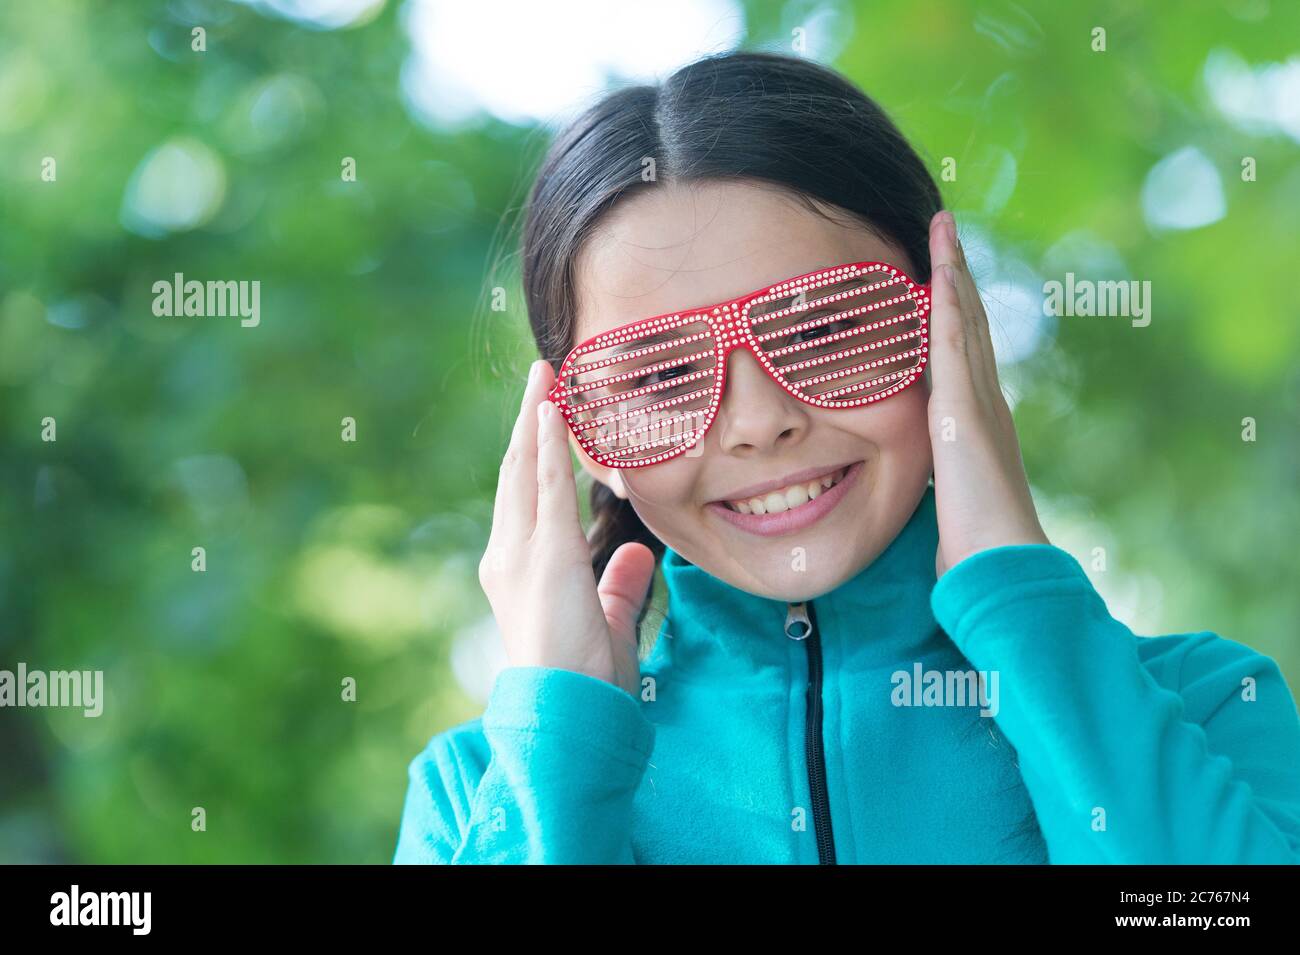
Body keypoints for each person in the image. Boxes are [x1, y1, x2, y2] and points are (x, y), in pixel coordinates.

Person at [393, 50, 1300, 864]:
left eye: (825, 327)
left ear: (954, 326)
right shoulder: (481, 794)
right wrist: (562, 748)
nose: (757, 421)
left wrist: (1016, 590)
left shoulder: (1209, 708)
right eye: (660, 377)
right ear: (580, 433)